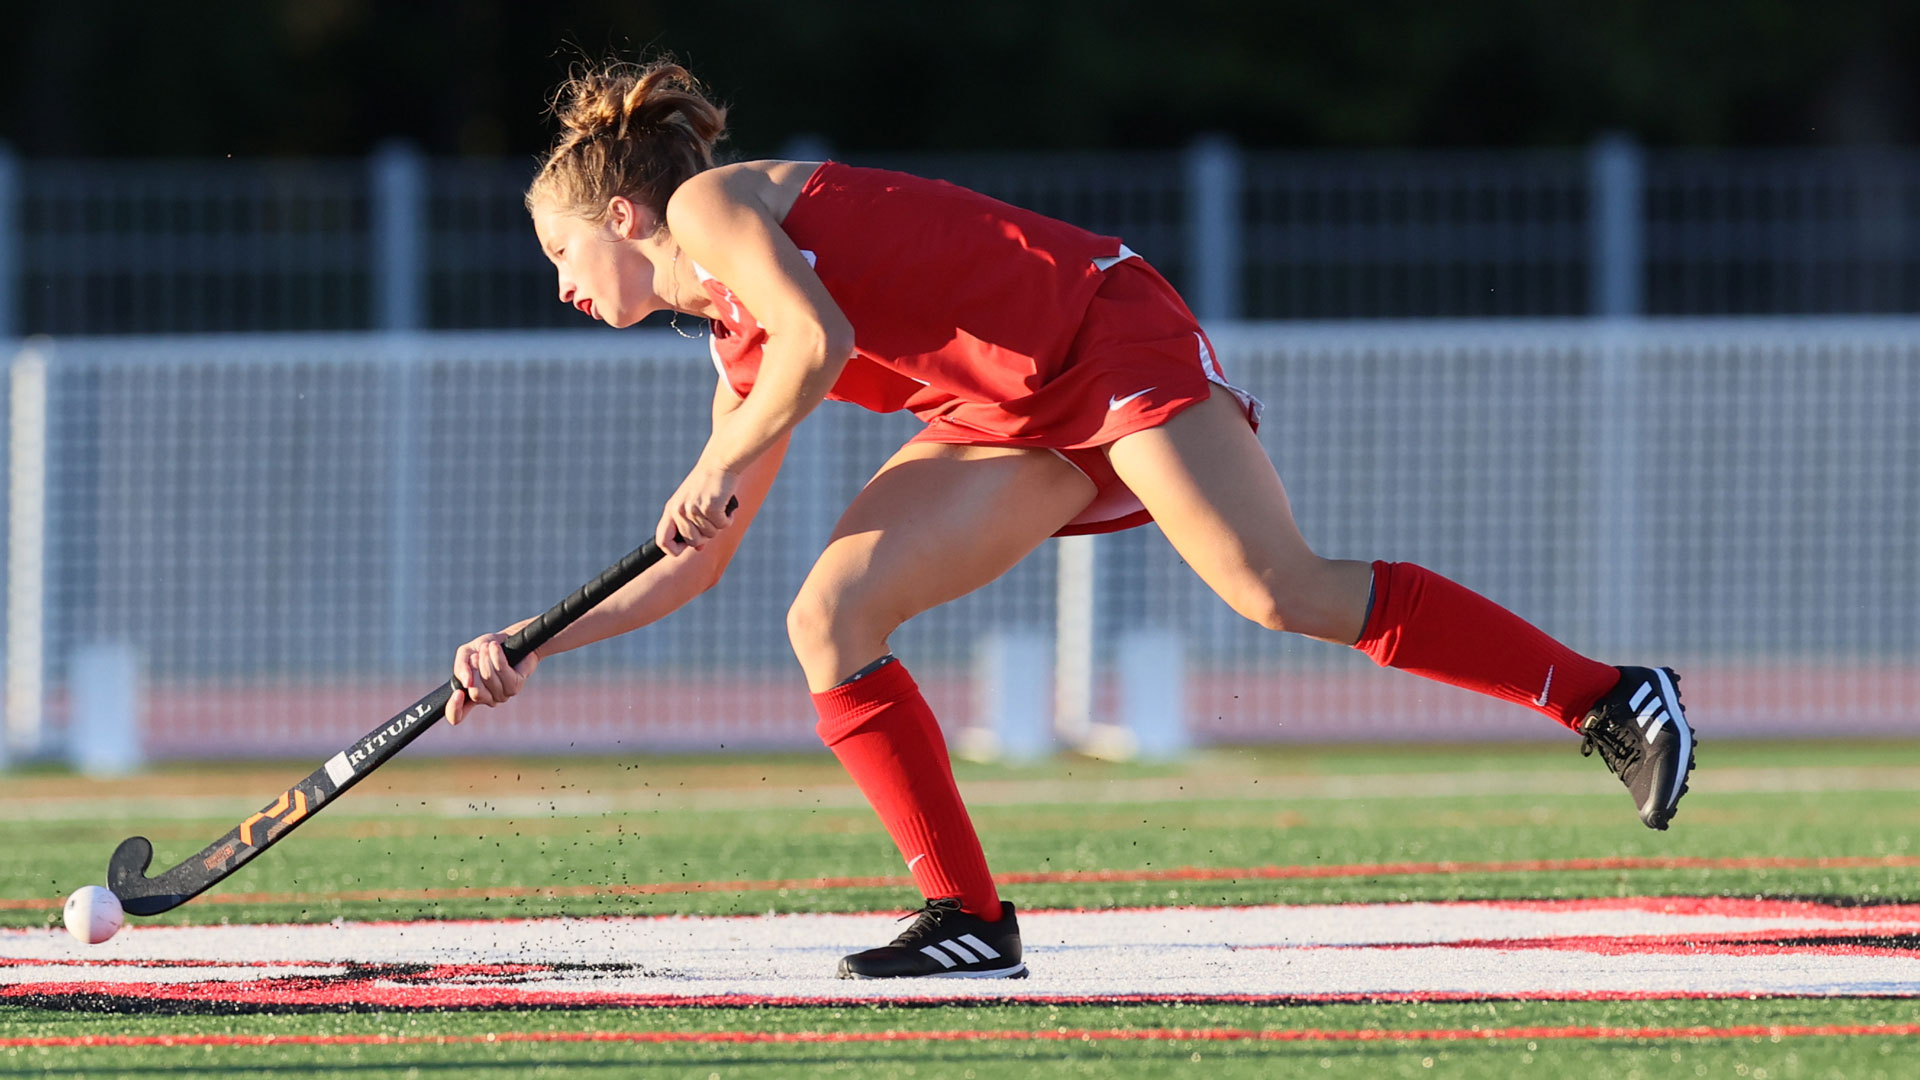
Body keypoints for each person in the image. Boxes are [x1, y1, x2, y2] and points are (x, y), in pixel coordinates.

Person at [445, 59, 1695, 980]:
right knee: (829, 616)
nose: (559, 285)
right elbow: (692, 568)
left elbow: (818, 343)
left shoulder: (716, 208)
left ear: (624, 221)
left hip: (1102, 332)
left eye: (560, 254)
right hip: (1007, 413)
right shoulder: (734, 354)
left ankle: (1609, 697)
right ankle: (970, 921)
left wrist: (730, 454)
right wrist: (531, 643)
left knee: (1279, 590)